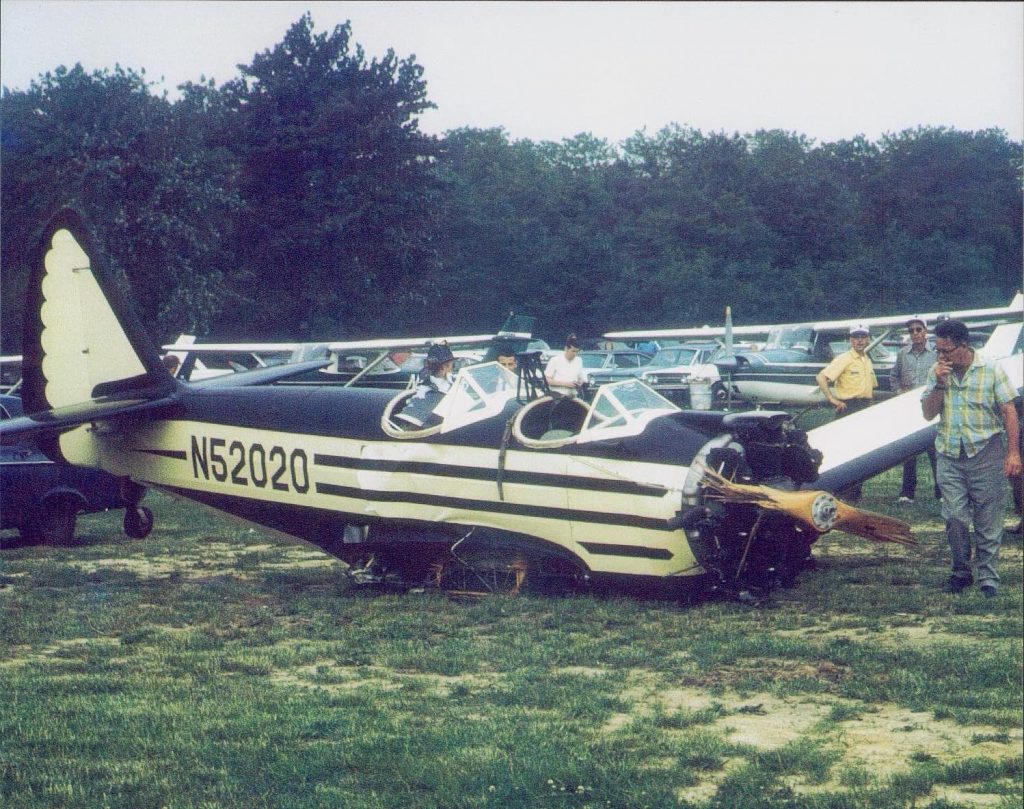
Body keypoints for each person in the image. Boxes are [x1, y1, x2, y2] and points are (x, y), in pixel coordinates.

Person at [922, 318, 1021, 597]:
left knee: (988, 519)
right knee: (955, 516)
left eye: (946, 351)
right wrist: (939, 384)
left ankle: (988, 578)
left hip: (986, 451)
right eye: (938, 351)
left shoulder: (991, 369)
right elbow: (928, 414)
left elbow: (1009, 411)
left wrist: (1013, 452)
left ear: (963, 346)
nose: (942, 356)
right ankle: (960, 571)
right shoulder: (937, 372)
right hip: (950, 452)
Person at [815, 324, 878, 499]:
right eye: (856, 337)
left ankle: (855, 490)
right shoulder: (844, 358)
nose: (860, 340)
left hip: (864, 408)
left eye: (863, 337)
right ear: (850, 340)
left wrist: (870, 405)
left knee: (862, 450)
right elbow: (821, 377)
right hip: (848, 408)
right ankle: (841, 490)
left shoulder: (867, 359)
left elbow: (868, 388)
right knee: (846, 451)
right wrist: (832, 399)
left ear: (868, 339)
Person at [891, 317, 940, 503]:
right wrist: (898, 391)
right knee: (909, 453)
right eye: (911, 331)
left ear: (925, 331)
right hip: (909, 409)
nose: (915, 333)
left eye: (918, 329)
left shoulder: (936, 352)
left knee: (935, 450)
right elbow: (894, 375)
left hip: (931, 407)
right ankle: (907, 492)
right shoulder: (903, 354)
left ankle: (941, 491)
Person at [395, 343, 456, 428]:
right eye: (453, 366)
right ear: (445, 367)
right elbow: (409, 427)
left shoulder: (449, 385)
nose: (453, 369)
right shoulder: (427, 393)